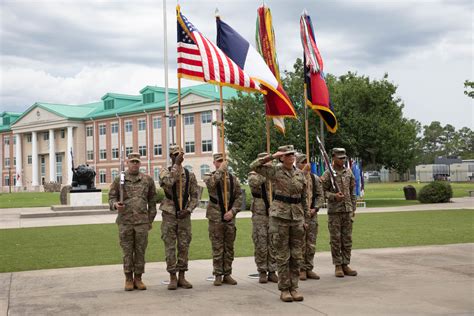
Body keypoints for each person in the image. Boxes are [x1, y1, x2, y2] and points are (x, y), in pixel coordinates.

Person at [250, 145, 308, 303]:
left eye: (292, 154)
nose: (291, 157)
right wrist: (272, 156)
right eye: (287, 154)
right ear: (282, 157)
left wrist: (306, 219)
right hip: (280, 217)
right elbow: (254, 166)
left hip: (297, 218)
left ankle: (294, 288)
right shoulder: (275, 171)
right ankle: (284, 289)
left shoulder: (300, 174)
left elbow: (304, 199)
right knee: (282, 256)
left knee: (296, 256)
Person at [109, 152, 157, 291]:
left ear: (140, 163)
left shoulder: (147, 180)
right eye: (132, 162)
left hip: (142, 222)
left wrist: (150, 220)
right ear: (127, 163)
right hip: (125, 222)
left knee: (140, 251)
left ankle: (138, 278)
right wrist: (116, 205)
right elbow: (111, 198)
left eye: (137, 162)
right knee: (127, 251)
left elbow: (152, 201)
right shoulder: (120, 179)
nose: (134, 164)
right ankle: (128, 278)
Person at [159, 145, 199, 290]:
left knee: (184, 245)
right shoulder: (165, 172)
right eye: (174, 155)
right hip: (169, 214)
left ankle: (182, 276)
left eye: (179, 154)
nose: (177, 157)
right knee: (170, 246)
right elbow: (168, 182)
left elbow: (195, 196)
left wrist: (188, 209)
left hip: (184, 216)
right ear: (171, 157)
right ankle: (172, 277)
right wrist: (176, 164)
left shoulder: (189, 175)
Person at [204, 152, 242, 286]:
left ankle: (227, 273)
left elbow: (239, 197)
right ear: (214, 163)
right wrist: (220, 170)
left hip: (229, 218)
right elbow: (211, 185)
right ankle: (218, 274)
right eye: (218, 161)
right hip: (215, 217)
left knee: (229, 247)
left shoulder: (233, 179)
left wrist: (233, 211)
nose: (221, 163)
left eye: (223, 161)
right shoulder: (210, 176)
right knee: (217, 247)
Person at [320, 148, 358, 278]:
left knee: (347, 239)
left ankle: (345, 263)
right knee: (336, 240)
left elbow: (353, 190)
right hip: (335, 212)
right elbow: (321, 191)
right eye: (340, 157)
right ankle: (338, 265)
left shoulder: (349, 172)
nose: (343, 160)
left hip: (347, 210)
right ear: (333, 158)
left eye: (344, 158)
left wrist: (353, 207)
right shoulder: (327, 174)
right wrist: (333, 196)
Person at [248, 152, 277, 284]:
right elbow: (255, 183)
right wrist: (265, 172)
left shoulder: (275, 174)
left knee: (273, 243)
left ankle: (272, 270)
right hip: (260, 214)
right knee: (261, 243)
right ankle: (262, 271)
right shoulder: (254, 175)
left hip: (274, 212)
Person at [295, 154, 324, 281]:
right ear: (297, 164)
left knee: (311, 243)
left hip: (312, 215)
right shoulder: (295, 177)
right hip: (299, 215)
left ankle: (308, 268)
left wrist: (315, 208)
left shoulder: (314, 178)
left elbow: (320, 195)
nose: (307, 164)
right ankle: (300, 269)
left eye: (307, 162)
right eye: (303, 162)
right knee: (300, 243)